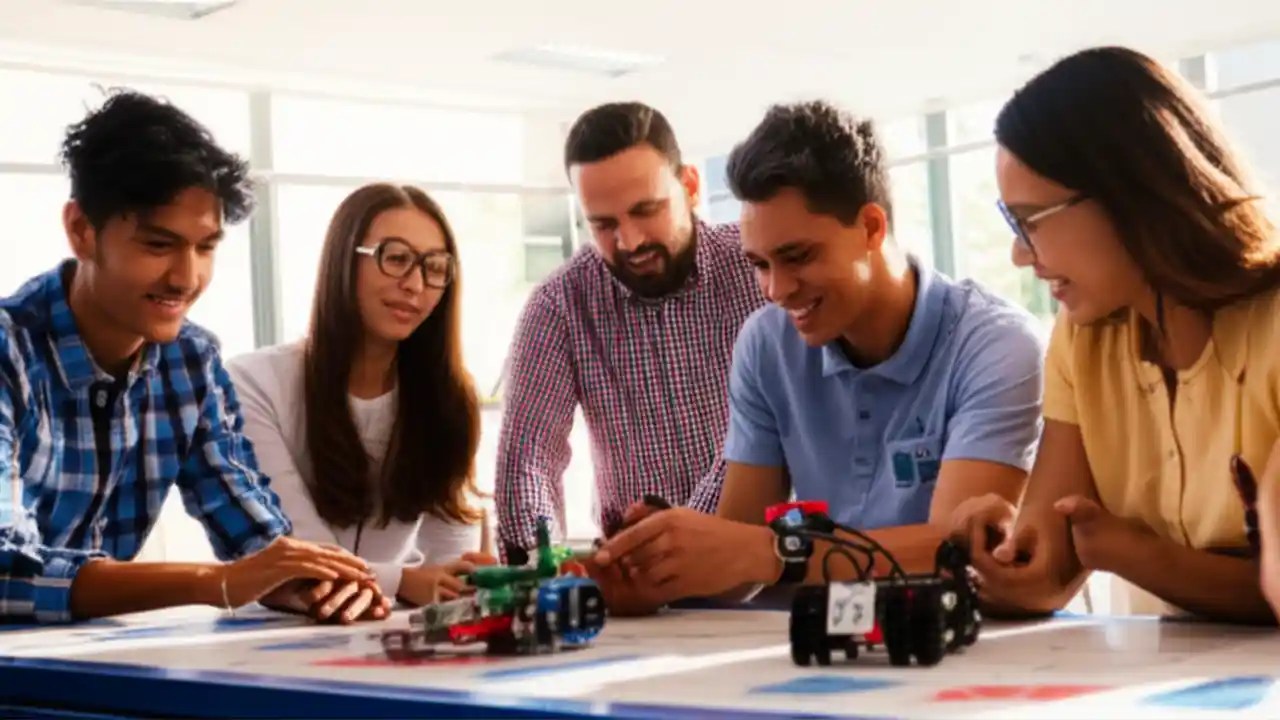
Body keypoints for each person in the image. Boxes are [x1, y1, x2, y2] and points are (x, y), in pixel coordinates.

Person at [593, 100, 1045, 608]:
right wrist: (656, 569)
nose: (774, 290)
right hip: (818, 638)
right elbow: (736, 562)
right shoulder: (766, 345)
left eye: (797, 257)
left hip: (944, 642)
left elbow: (957, 552)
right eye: (759, 264)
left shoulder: (997, 346)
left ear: (872, 228)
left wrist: (774, 553)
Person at [0, 90, 375, 624]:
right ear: (82, 230)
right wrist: (214, 582)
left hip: (71, 670)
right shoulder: (9, 351)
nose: (186, 277)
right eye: (158, 245)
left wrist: (310, 583)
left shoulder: (190, 360)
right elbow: (5, 571)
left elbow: (253, 535)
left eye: (205, 248)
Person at [951, 46, 1280, 624]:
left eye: (1030, 221)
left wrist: (1136, 554)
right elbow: (1049, 572)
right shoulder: (1082, 338)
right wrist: (997, 559)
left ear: (1131, 194)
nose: (1020, 254)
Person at [494, 102, 765, 556]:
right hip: (639, 584)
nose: (631, 241)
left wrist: (690, 531)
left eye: (646, 210)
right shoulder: (559, 304)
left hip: (766, 561)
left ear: (691, 187)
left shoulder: (758, 268)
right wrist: (542, 566)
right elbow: (529, 459)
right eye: (604, 224)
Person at [228, 183, 493, 617]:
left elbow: (448, 563)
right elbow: (296, 553)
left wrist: (465, 578)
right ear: (344, 260)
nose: (415, 285)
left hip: (392, 635)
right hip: (278, 636)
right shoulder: (253, 384)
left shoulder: (448, 397)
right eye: (395, 259)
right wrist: (403, 580)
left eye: (435, 266)